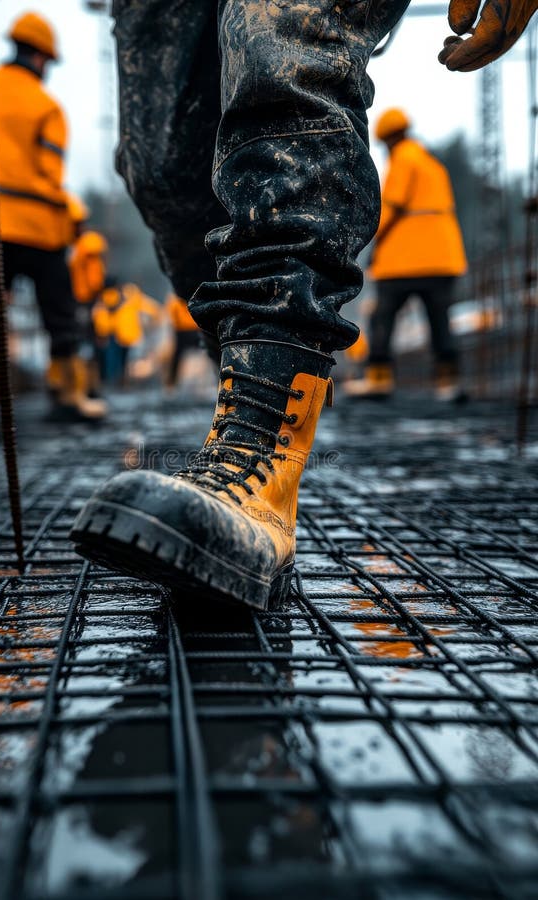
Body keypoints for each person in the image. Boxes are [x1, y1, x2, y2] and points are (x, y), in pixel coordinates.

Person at [71, 0, 538, 608]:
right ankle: (243, 384)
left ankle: (260, 455)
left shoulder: (416, 166)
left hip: (413, 258)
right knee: (163, 166)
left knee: (287, 64)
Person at [0, 12, 106, 422]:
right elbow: (50, 177)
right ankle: (68, 397)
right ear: (42, 58)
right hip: (38, 229)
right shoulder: (46, 106)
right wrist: (74, 215)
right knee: (59, 314)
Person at [342, 108, 467, 401]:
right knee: (440, 322)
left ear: (388, 139)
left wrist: (367, 241)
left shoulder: (403, 160)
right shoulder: (432, 164)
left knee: (382, 318)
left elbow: (391, 208)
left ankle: (378, 379)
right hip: (442, 258)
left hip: (404, 262)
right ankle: (448, 383)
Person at [91, 278, 161, 383]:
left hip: (113, 334)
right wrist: (156, 316)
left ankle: (110, 379)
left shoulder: (102, 299)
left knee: (112, 359)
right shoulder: (129, 294)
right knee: (127, 359)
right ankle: (123, 379)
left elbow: (100, 317)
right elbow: (149, 307)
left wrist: (102, 331)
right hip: (129, 333)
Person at [164, 292, 202, 389]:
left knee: (208, 353)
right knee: (176, 357)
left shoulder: (194, 296)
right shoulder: (176, 300)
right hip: (182, 331)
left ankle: (211, 380)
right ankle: (171, 382)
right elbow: (171, 315)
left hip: (194, 329)